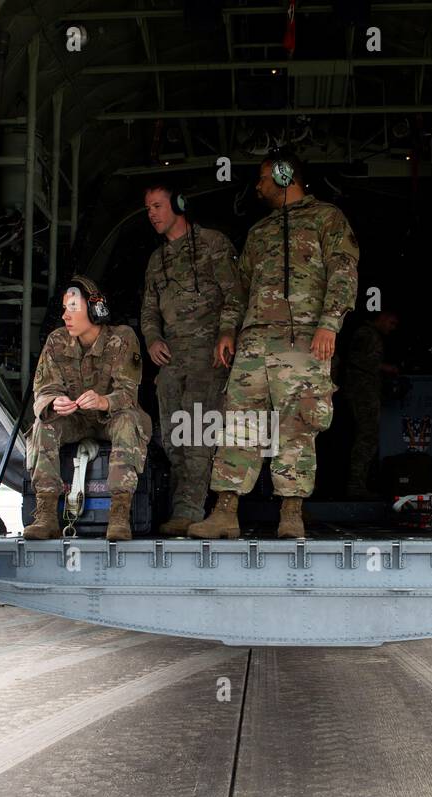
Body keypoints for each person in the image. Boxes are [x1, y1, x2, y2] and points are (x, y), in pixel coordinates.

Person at [189, 151, 360, 539]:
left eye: (264, 177)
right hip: (253, 343)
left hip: (303, 339)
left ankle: (291, 513)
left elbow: (344, 273)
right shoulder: (259, 232)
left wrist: (330, 324)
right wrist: (228, 330)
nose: (258, 186)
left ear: (286, 175)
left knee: (297, 424)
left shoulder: (326, 218)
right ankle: (225, 512)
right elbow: (238, 289)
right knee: (237, 424)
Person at [140, 183, 244, 535]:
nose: (151, 213)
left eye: (157, 206)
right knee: (172, 437)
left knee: (198, 433)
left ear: (178, 205)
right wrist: (152, 339)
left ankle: (189, 510)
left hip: (208, 355)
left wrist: (227, 333)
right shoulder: (157, 260)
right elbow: (149, 311)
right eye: (148, 208)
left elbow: (234, 295)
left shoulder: (214, 244)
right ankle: (182, 508)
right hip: (172, 358)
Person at [22, 276, 152, 540]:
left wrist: (104, 401)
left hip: (110, 417)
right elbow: (43, 391)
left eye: (72, 308)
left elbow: (128, 393)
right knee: (43, 424)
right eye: (64, 309)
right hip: (74, 419)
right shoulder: (56, 341)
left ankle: (119, 514)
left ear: (94, 310)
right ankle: (46, 514)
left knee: (128, 421)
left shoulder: (122, 338)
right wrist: (53, 402)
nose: (65, 316)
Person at [341, 311, 400, 498]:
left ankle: (358, 484)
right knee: (367, 437)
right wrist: (384, 367)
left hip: (367, 391)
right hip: (361, 392)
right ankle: (355, 485)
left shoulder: (372, 335)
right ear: (382, 317)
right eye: (391, 322)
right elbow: (354, 358)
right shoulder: (366, 333)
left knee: (368, 436)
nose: (392, 328)